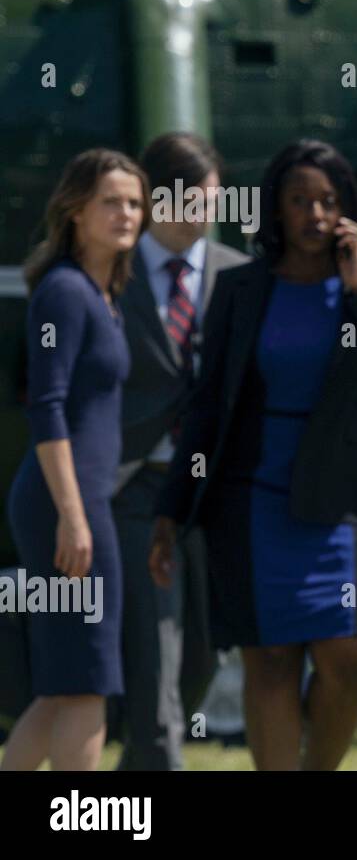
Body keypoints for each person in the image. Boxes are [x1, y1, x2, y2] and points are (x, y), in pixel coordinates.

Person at [149, 139, 357, 770]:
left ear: (347, 209)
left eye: (328, 201)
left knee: (349, 657)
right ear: (274, 209)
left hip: (342, 502)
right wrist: (172, 509)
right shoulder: (241, 287)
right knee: (270, 660)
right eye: (298, 200)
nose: (314, 214)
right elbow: (206, 405)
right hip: (250, 502)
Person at [2, 149, 146, 771]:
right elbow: (47, 407)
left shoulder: (99, 292)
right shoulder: (63, 291)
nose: (127, 213)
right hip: (67, 507)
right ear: (75, 209)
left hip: (74, 504)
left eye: (136, 202)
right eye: (111, 200)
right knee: (88, 677)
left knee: (64, 681)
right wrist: (73, 515)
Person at [112, 132, 249, 770]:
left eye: (214, 200)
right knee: (158, 656)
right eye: (196, 199)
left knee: (200, 657)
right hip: (134, 487)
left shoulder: (234, 275)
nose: (207, 213)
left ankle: (122, 790)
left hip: (209, 496)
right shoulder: (107, 270)